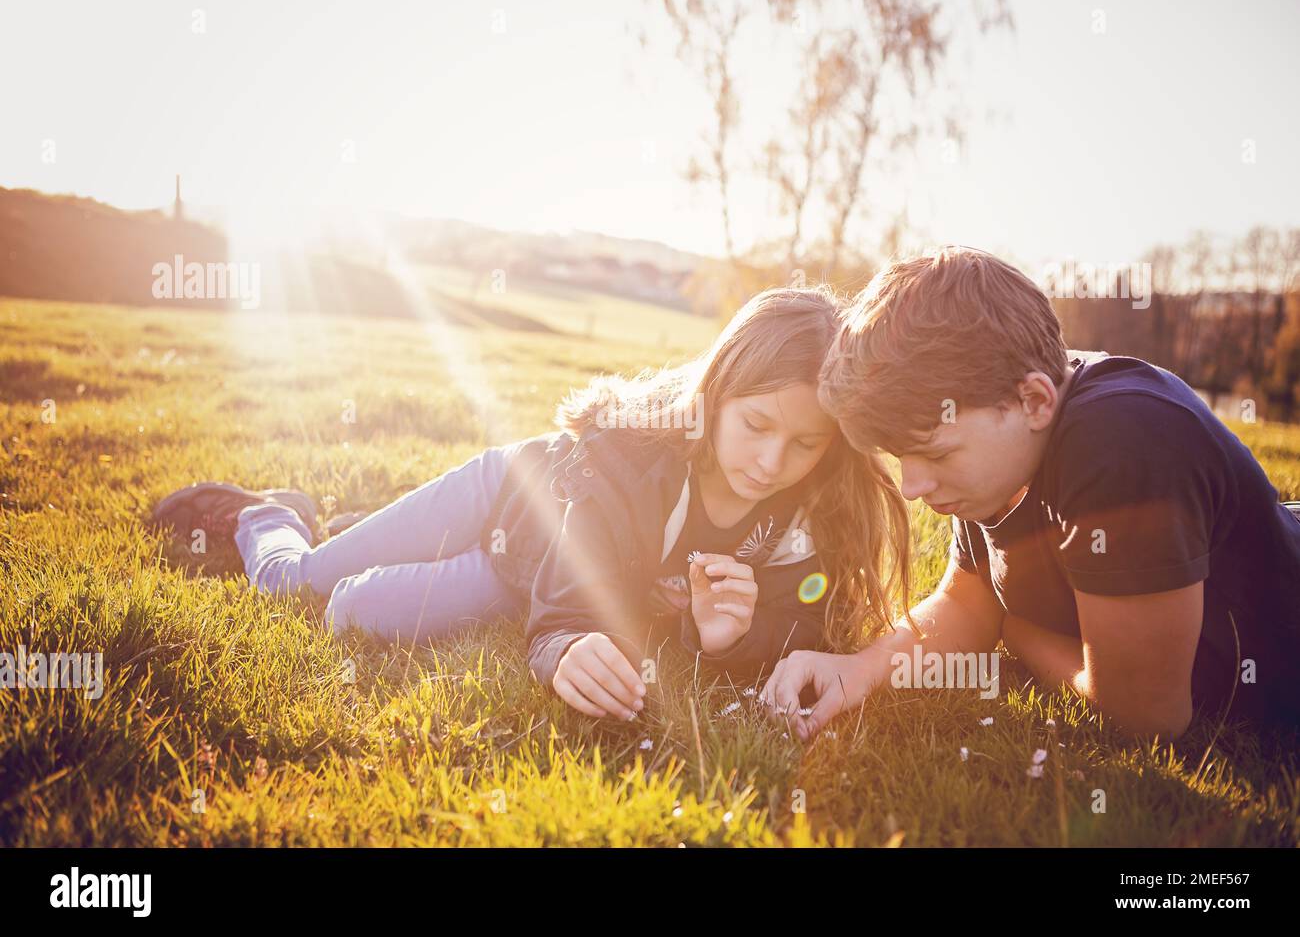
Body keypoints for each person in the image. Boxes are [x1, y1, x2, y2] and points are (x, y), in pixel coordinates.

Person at [152, 287, 910, 720]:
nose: (772, 461)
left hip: (518, 572)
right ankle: (268, 516)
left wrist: (722, 640)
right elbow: (570, 609)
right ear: (715, 394)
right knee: (298, 587)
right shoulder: (632, 452)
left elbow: (805, 625)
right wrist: (560, 645)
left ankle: (364, 531)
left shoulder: (809, 515)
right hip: (511, 498)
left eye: (806, 444)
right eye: (756, 425)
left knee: (355, 610)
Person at [763, 246, 1300, 742]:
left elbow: (1143, 714)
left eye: (937, 453)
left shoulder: (1123, 440)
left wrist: (1020, 633)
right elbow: (967, 605)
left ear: (1035, 400)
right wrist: (859, 667)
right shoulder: (1000, 428)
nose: (914, 487)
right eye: (903, 458)